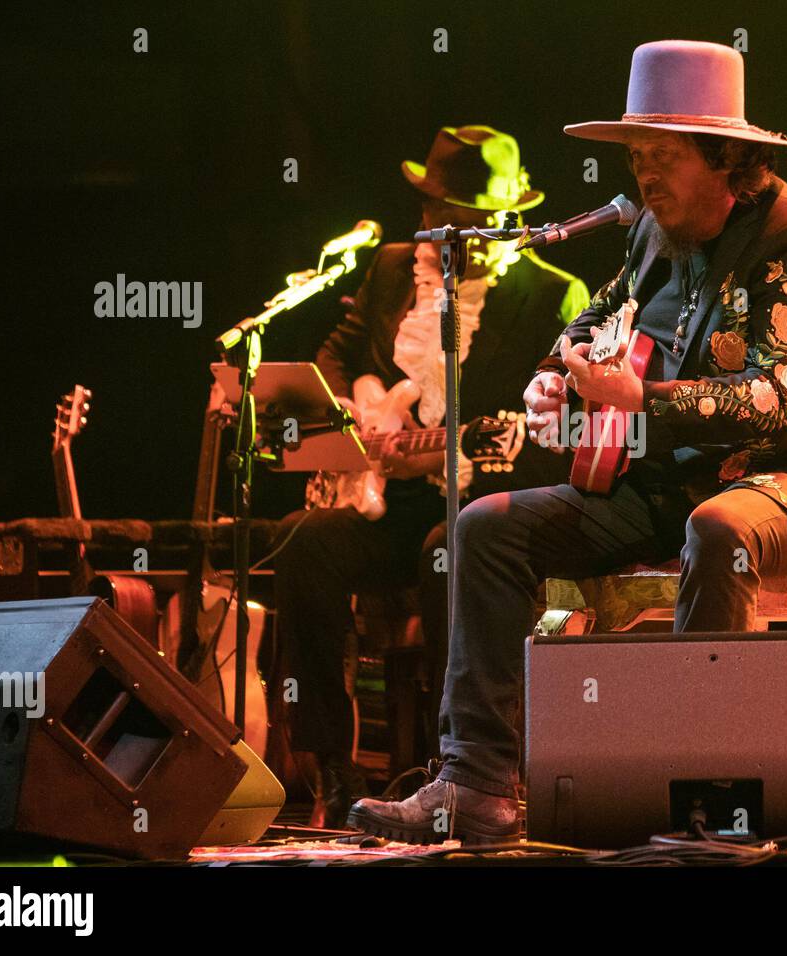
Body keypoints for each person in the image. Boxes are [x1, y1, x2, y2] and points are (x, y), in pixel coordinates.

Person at [350, 41, 787, 844]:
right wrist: (551, 373)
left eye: (662, 156)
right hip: (674, 483)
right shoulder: (655, 233)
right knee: (484, 529)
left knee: (720, 529)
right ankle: (476, 784)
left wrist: (642, 399)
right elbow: (597, 315)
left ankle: (707, 801)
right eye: (637, 157)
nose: (643, 176)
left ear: (723, 156)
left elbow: (774, 398)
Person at [271, 126, 589, 828]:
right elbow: (333, 355)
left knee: (448, 551)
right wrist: (360, 416)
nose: (441, 230)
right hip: (393, 493)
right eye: (432, 212)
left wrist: (477, 454)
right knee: (301, 542)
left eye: (463, 219)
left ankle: (464, 773)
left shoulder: (555, 295)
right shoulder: (388, 270)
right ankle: (332, 770)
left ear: (500, 220)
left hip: (489, 497)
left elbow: (564, 433)